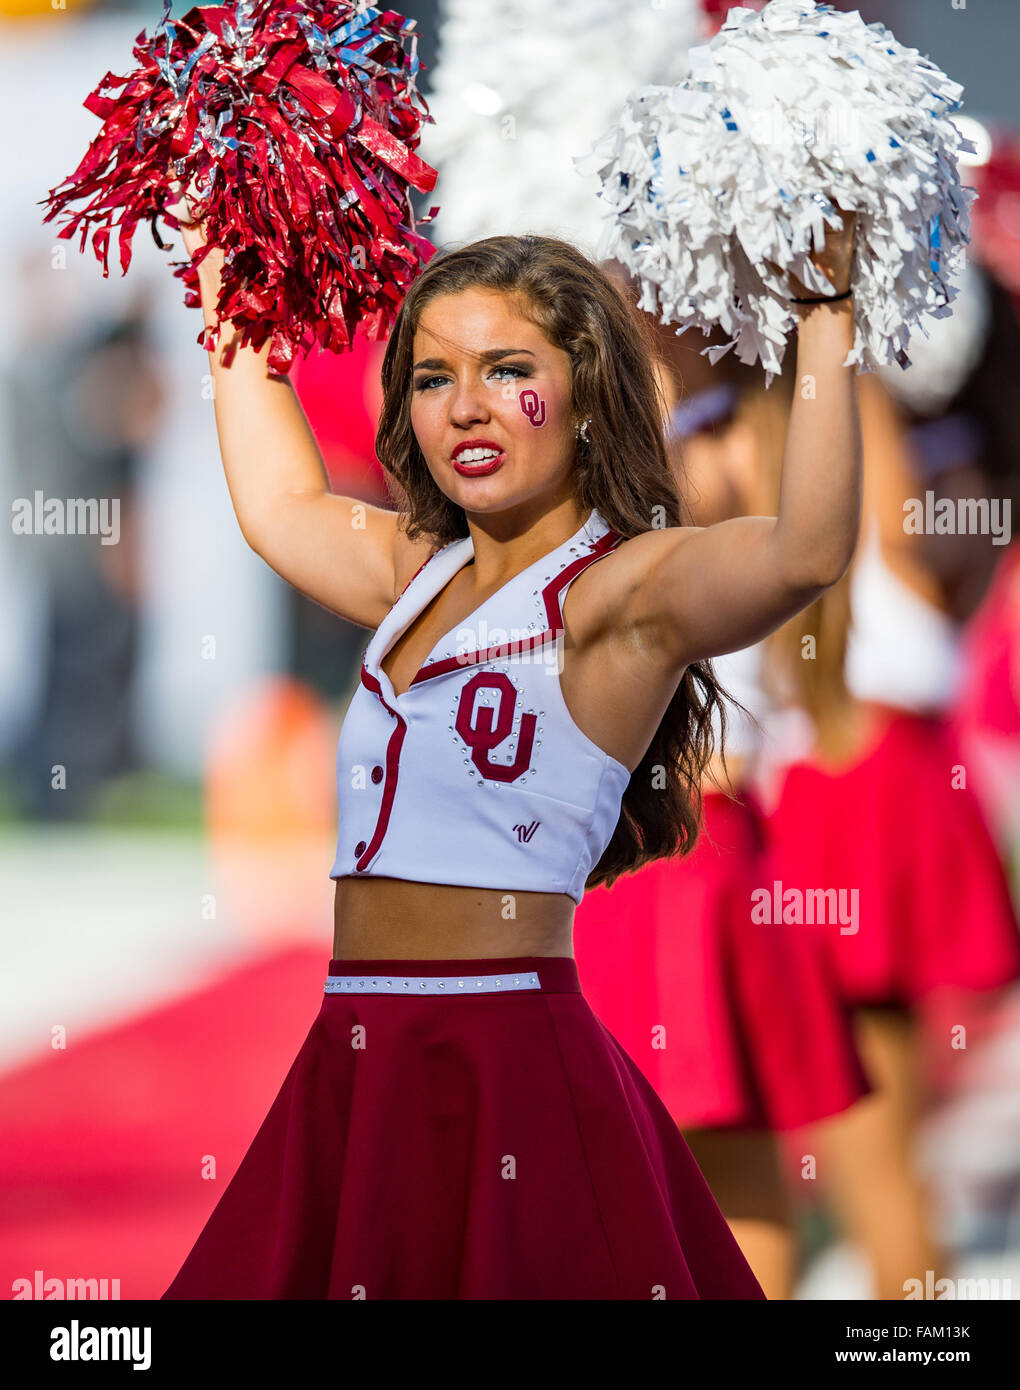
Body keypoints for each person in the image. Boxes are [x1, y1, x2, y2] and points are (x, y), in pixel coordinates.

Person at [161, 203, 860, 1299]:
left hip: (501, 1059)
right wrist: (224, 261)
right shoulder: (417, 570)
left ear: (584, 394)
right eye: (434, 378)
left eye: (506, 369)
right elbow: (277, 501)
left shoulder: (621, 594)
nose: (466, 406)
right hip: (356, 1047)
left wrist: (824, 311)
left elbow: (805, 549)